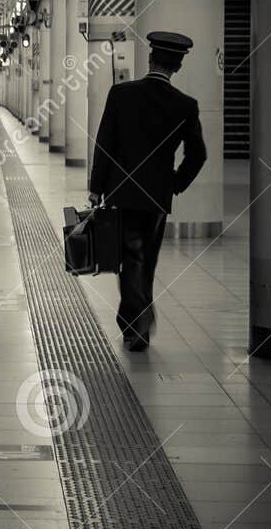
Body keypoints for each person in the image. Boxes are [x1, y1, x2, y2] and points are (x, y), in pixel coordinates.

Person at [88, 31, 207, 351]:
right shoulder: (184, 105)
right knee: (144, 260)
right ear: (178, 67)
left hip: (121, 193)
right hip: (156, 197)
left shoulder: (121, 94)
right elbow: (199, 155)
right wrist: (175, 184)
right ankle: (136, 320)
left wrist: (96, 188)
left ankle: (135, 324)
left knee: (129, 259)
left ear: (151, 59)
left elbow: (105, 144)